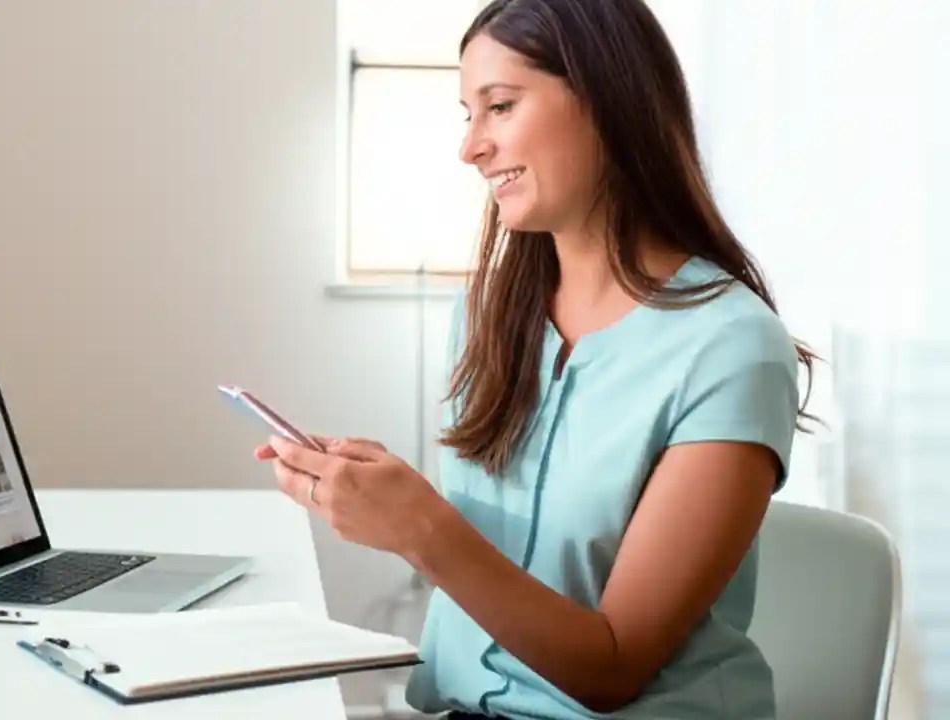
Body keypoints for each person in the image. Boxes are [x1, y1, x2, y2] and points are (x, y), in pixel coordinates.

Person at [256, 0, 815, 718]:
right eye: (469, 115)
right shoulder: (488, 315)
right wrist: (382, 502)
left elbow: (612, 669)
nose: (471, 148)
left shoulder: (730, 347)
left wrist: (421, 529)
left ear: (608, 99)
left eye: (500, 107)